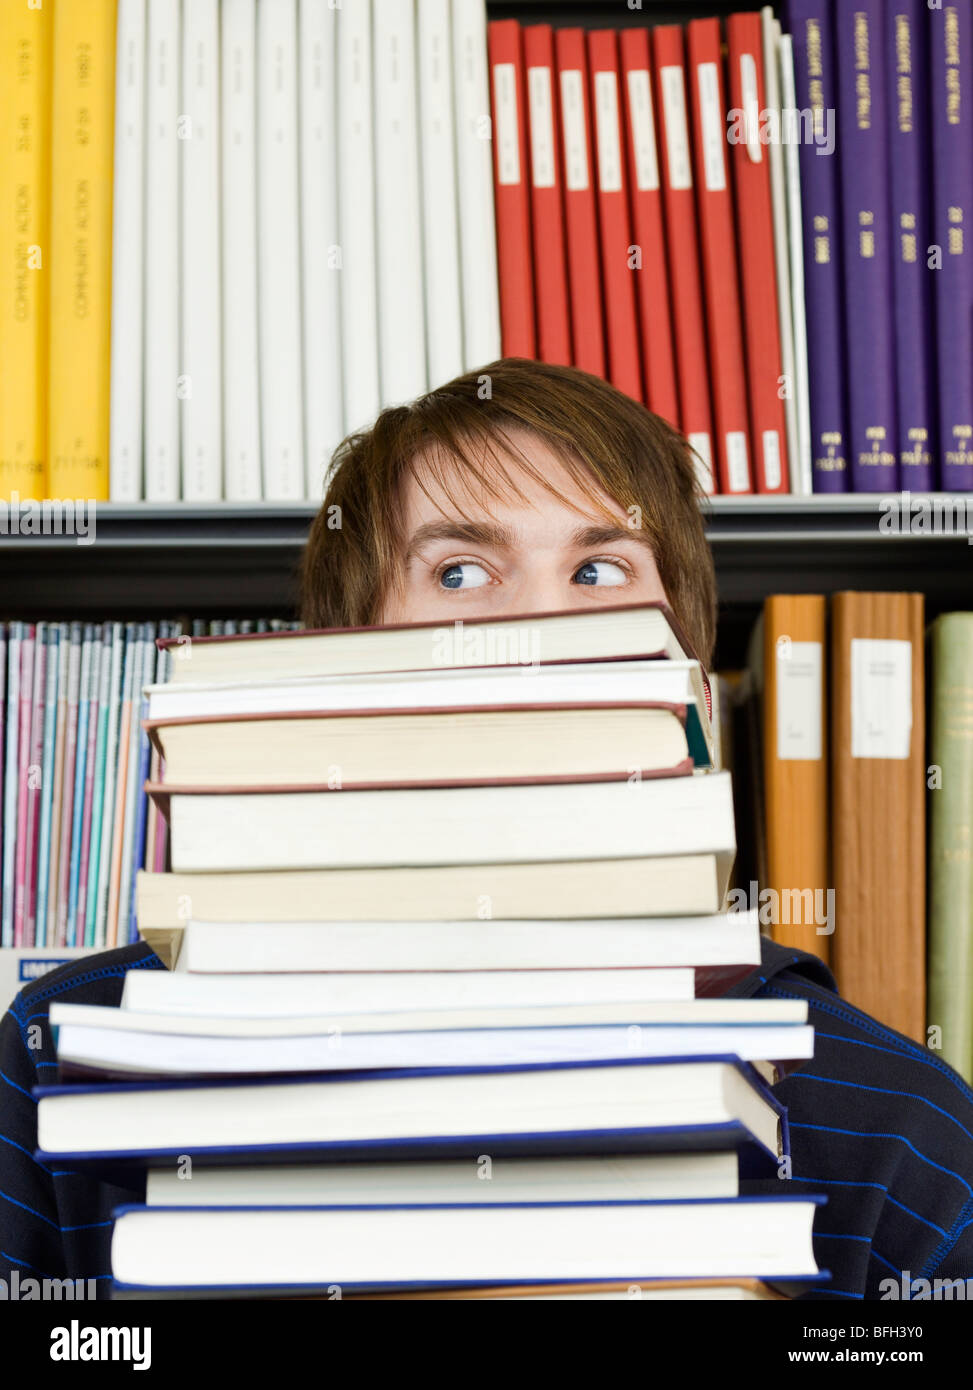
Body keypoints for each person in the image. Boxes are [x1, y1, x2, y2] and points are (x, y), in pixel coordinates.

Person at [3, 359, 972, 1300]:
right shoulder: (63, 1060)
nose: (538, 629)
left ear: (686, 675)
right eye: (460, 572)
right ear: (346, 655)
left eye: (599, 569)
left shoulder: (897, 1123)